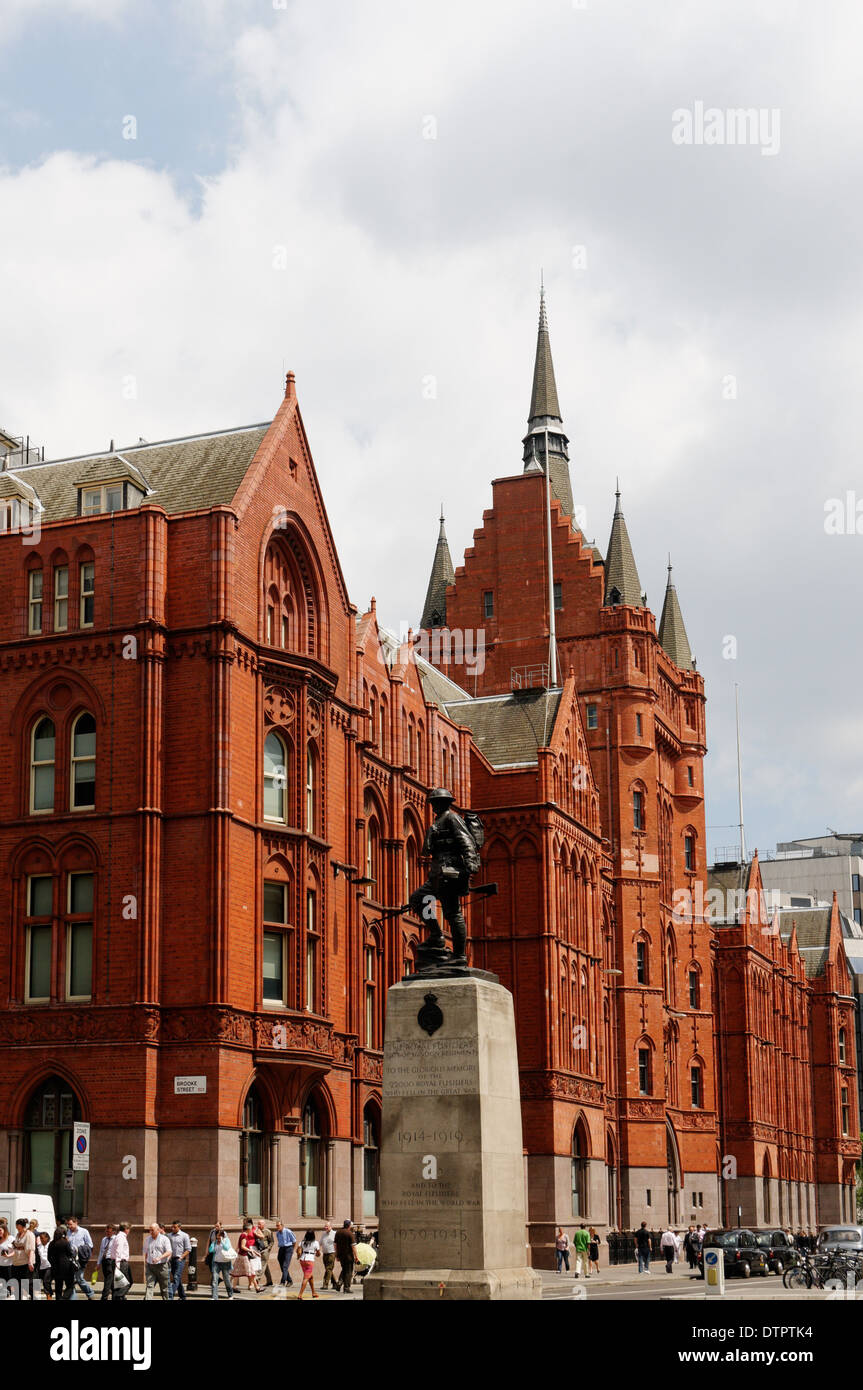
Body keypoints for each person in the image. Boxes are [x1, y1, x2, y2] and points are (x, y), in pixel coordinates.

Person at [66, 1216, 95, 1301]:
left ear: (76, 1223)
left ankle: (90, 1293)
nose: (69, 1226)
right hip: (71, 1259)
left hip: (80, 1259)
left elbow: (90, 1245)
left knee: (79, 1278)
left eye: (70, 1224)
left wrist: (81, 1250)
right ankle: (73, 1297)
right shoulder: (68, 1232)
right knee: (71, 1279)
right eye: (68, 1225)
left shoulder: (84, 1231)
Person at [47, 1225, 77, 1301]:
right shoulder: (65, 1242)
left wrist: (53, 1264)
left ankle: (59, 1298)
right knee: (70, 1285)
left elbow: (48, 1256)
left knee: (58, 1286)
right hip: (67, 1267)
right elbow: (70, 1253)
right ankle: (64, 1298)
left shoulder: (51, 1243)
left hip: (56, 1268)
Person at [143, 1221, 172, 1299]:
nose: (150, 1232)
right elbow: (145, 1252)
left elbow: (169, 1251)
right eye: (150, 1230)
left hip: (162, 1266)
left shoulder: (164, 1239)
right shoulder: (147, 1239)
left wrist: (160, 1257)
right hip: (150, 1266)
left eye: (152, 1230)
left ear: (158, 1230)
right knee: (149, 1286)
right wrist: (146, 1261)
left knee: (164, 1288)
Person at [10, 1217, 36, 1300]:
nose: (17, 1228)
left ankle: (33, 1297)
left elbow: (31, 1249)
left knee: (27, 1284)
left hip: (25, 1262)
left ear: (21, 1226)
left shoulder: (29, 1234)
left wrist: (30, 1262)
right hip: (16, 1262)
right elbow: (16, 1245)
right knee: (16, 1284)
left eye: (17, 1226)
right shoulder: (18, 1234)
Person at [233, 1219, 260, 1293]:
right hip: (244, 1256)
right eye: (251, 1229)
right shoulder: (244, 1236)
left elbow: (245, 1246)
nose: (251, 1230)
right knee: (251, 1272)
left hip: (241, 1255)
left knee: (236, 1272)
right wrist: (251, 1251)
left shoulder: (244, 1235)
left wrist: (254, 1252)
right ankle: (257, 1288)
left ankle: (233, 1287)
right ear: (248, 1229)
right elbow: (242, 1246)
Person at [209, 1226, 235, 1301]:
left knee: (226, 1280)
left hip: (225, 1263)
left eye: (220, 1236)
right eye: (217, 1236)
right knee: (214, 1280)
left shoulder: (226, 1240)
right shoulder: (215, 1242)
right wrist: (213, 1245)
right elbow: (210, 1251)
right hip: (216, 1262)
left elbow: (227, 1248)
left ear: (223, 1235)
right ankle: (214, 1297)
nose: (218, 1238)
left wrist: (222, 1241)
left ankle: (230, 1295)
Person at [333, 1219, 359, 1293]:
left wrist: (336, 1255)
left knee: (344, 1269)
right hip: (349, 1256)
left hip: (341, 1256)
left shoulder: (338, 1232)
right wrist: (356, 1257)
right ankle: (346, 1288)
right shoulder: (350, 1234)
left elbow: (335, 1245)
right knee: (348, 1272)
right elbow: (353, 1247)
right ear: (349, 1225)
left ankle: (339, 1283)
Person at [168, 1220, 191, 1301]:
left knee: (176, 1277)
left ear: (179, 1227)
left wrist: (181, 1257)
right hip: (171, 1260)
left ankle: (170, 1296)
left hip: (180, 1259)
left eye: (175, 1227)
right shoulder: (169, 1235)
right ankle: (183, 1296)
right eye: (172, 1227)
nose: (173, 1228)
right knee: (178, 1279)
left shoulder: (185, 1235)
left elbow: (188, 1249)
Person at [109, 1223, 133, 1301]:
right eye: (129, 1229)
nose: (129, 1231)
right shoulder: (121, 1237)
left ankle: (119, 1297)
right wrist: (118, 1264)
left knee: (119, 1283)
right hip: (121, 1263)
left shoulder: (119, 1236)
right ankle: (118, 1296)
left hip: (119, 1262)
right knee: (127, 1282)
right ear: (126, 1229)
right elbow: (118, 1251)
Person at [297, 1229, 321, 1299]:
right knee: (306, 1277)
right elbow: (318, 1253)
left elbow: (298, 1250)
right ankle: (300, 1295)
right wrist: (317, 1254)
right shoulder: (315, 1243)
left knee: (310, 1276)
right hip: (310, 1260)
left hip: (302, 1260)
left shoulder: (302, 1242)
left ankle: (313, 1292)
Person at [98, 1223, 117, 1299]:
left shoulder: (116, 1239)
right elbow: (101, 1251)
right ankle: (115, 1296)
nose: (107, 1233)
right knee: (110, 1280)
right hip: (104, 1260)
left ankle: (104, 1297)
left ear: (113, 1232)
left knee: (108, 1280)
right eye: (106, 1231)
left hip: (111, 1261)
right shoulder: (104, 1239)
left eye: (109, 1232)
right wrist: (98, 1263)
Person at [275, 1220, 296, 1286]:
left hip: (288, 1248)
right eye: (276, 1226)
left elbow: (294, 1241)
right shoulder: (277, 1233)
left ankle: (283, 1281)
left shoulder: (288, 1231)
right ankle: (289, 1280)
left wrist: (292, 1250)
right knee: (282, 1266)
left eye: (278, 1225)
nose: (277, 1227)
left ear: (282, 1225)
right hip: (281, 1249)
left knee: (285, 1266)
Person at [254, 1219, 274, 1288]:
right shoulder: (256, 1231)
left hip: (265, 1250)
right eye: (258, 1224)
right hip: (258, 1250)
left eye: (260, 1224)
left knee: (262, 1265)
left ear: (263, 1225)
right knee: (265, 1265)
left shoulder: (268, 1231)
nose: (258, 1225)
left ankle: (257, 1279)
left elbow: (271, 1242)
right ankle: (269, 1281)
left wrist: (268, 1249)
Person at [36, 1231, 53, 1299]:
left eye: (42, 1238)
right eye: (40, 1238)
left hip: (49, 1266)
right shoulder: (39, 1246)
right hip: (41, 1267)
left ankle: (49, 1296)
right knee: (43, 1282)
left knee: (46, 1281)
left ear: (47, 1238)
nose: (41, 1239)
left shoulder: (50, 1245)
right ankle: (48, 1295)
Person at [320, 1222, 336, 1289]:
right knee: (328, 1269)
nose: (325, 1228)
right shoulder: (323, 1234)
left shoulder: (334, 1234)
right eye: (325, 1226)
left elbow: (337, 1244)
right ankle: (335, 1283)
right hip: (325, 1253)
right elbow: (320, 1242)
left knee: (328, 1269)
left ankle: (325, 1284)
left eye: (327, 1226)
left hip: (331, 1253)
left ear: (330, 1227)